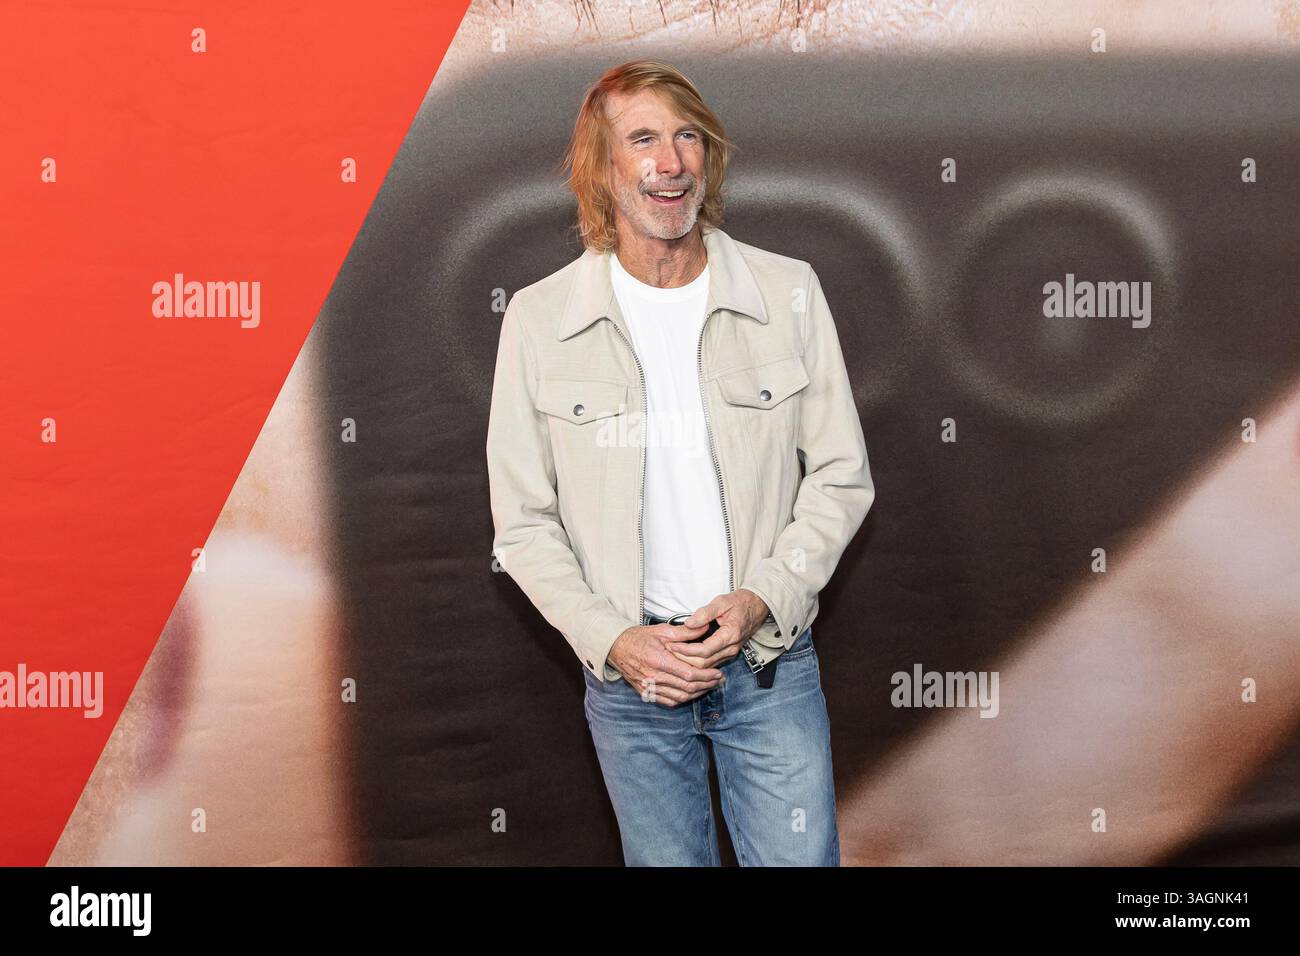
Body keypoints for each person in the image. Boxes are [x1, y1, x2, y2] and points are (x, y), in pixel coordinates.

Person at [485, 59, 874, 866]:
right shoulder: (539, 317)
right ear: (603, 168)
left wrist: (762, 599)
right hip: (633, 685)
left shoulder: (788, 290)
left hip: (769, 668)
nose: (670, 162)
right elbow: (521, 525)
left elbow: (841, 476)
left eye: (687, 136)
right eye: (643, 140)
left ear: (709, 157)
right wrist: (615, 640)